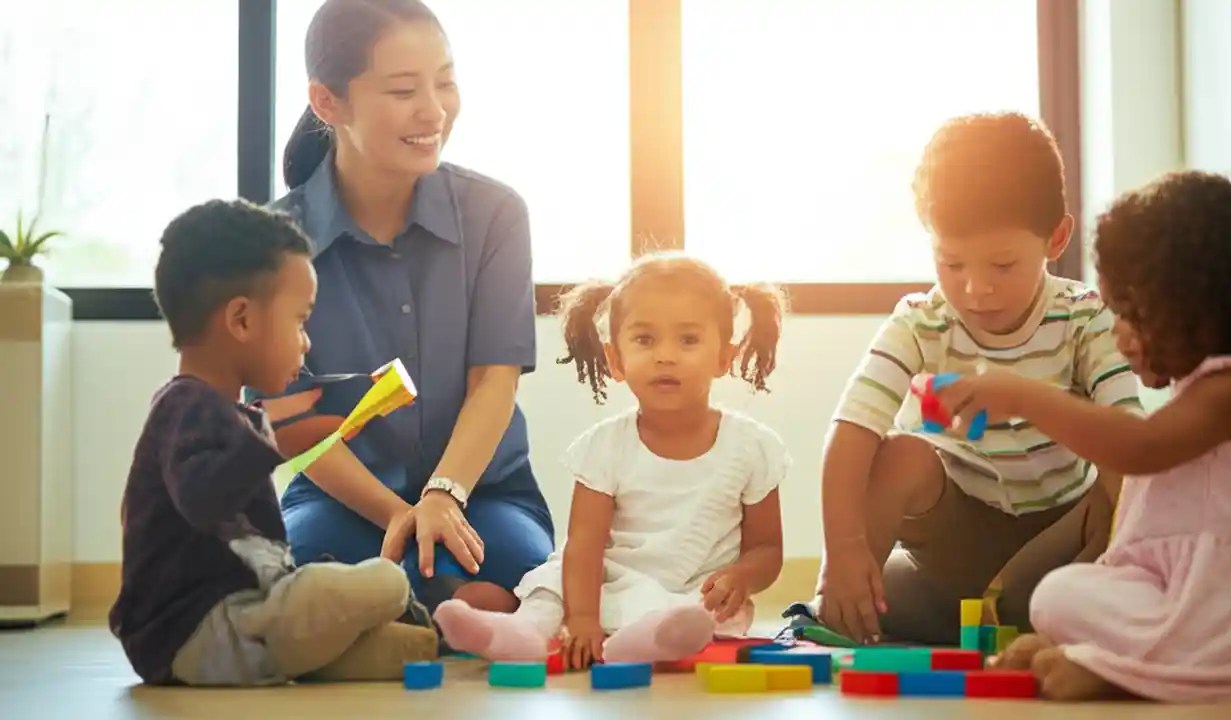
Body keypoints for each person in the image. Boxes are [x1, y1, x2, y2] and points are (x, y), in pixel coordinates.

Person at [254, 0, 554, 615]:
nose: (435, 110)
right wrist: (398, 514)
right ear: (327, 102)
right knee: (298, 580)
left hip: (482, 496)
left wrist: (443, 496)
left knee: (527, 579)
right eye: (402, 90)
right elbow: (289, 422)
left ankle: (408, 612)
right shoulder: (269, 242)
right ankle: (420, 611)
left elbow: (494, 382)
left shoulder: (495, 215)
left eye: (444, 81)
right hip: (340, 502)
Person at [812, 112, 1142, 645]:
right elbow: (851, 429)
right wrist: (845, 551)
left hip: (1056, 537)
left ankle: (1034, 615)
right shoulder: (920, 322)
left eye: (1003, 265)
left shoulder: (1084, 318)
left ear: (1056, 238)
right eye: (951, 262)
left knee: (1121, 480)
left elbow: (1129, 435)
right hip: (954, 543)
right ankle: (848, 613)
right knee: (897, 455)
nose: (975, 289)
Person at [952, 172, 1231, 702]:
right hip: (1181, 598)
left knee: (1069, 602)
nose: (1119, 332)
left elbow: (1137, 448)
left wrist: (1022, 397)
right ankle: (1123, 661)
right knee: (1058, 596)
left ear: (1202, 304)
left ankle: (1120, 673)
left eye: (1132, 314)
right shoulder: (1200, 394)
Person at [108, 199, 438, 686]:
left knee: (409, 652)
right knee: (379, 580)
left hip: (246, 620)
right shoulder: (184, 407)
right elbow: (202, 499)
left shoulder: (230, 413)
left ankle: (380, 636)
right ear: (241, 320)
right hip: (189, 630)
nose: (305, 342)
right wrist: (276, 440)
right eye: (300, 320)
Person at [430, 253, 791, 668]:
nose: (665, 356)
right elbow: (584, 546)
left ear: (724, 358)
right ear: (616, 360)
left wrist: (741, 578)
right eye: (644, 340)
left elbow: (766, 548)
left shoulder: (752, 446)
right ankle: (522, 632)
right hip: (601, 580)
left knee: (695, 614)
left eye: (688, 340)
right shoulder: (603, 446)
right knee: (552, 583)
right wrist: (582, 618)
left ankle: (643, 643)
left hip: (688, 590)